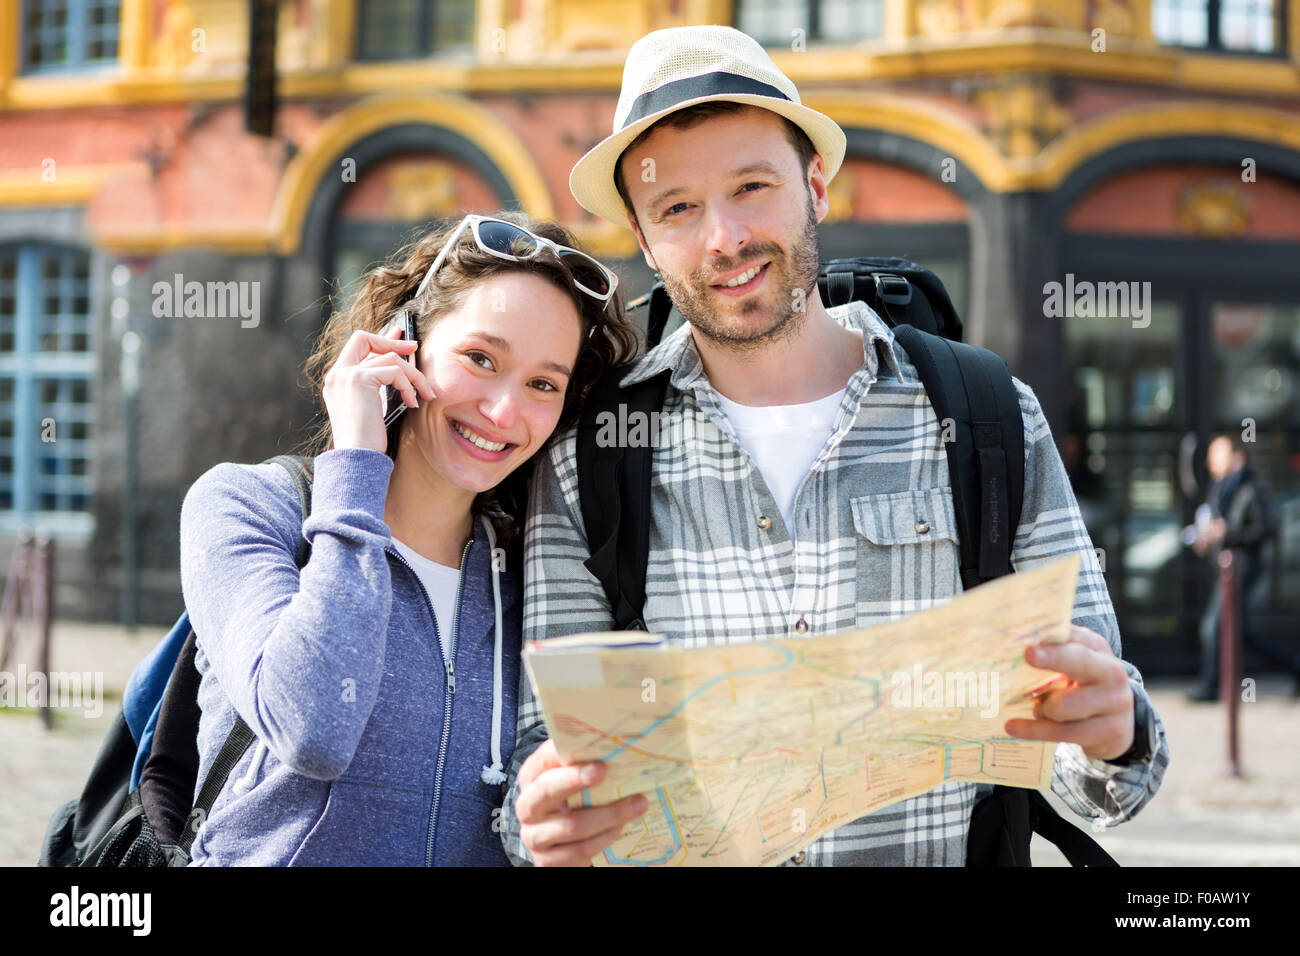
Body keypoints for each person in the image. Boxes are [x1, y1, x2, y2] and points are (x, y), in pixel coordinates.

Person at [501, 25, 1170, 866]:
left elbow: (1103, 772)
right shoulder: (587, 456)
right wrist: (549, 821)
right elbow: (540, 759)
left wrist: (1111, 733)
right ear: (643, 239)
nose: (724, 238)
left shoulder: (990, 415)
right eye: (677, 208)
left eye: (753, 186)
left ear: (816, 185)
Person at [178, 212, 638, 865]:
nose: (505, 411)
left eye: (543, 384)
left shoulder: (532, 573)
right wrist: (358, 465)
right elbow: (313, 729)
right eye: (480, 358)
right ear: (402, 342)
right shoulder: (248, 506)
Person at [1186, 432, 1296, 701]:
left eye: (1217, 455)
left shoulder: (1250, 488)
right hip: (1226, 570)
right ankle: (1295, 667)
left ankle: (1212, 688)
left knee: (1214, 626)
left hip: (1242, 569)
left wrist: (1227, 534)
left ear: (1237, 457)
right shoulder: (1219, 488)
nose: (1212, 462)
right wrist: (1208, 539)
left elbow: (1265, 529)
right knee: (1237, 631)